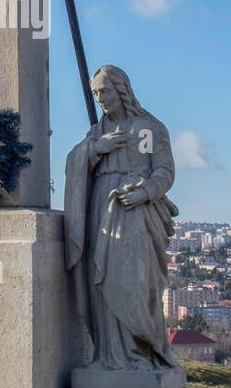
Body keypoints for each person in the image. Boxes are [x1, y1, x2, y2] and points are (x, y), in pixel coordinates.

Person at [63, 64, 180, 370]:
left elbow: (164, 170)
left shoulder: (147, 129)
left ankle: (143, 353)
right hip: (101, 208)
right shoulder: (98, 131)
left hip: (136, 212)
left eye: (105, 91)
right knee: (101, 282)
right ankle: (110, 357)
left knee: (132, 281)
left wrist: (146, 192)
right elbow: (74, 161)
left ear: (122, 90)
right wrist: (94, 149)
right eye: (95, 93)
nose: (100, 98)